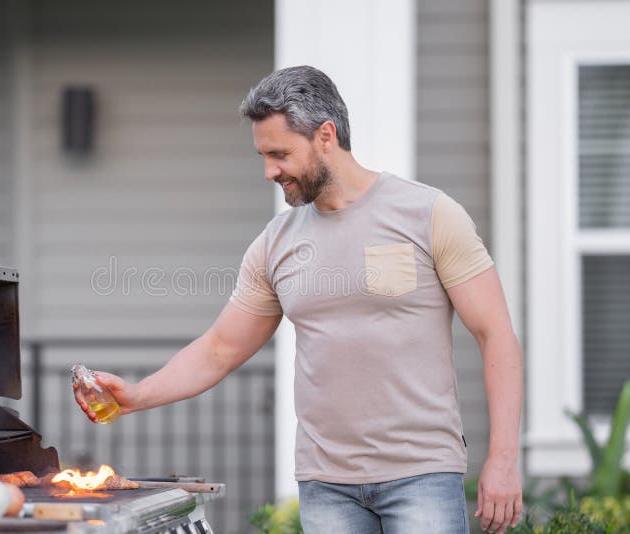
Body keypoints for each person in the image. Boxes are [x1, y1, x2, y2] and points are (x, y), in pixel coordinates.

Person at [74, 65, 523, 534]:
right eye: (263, 156)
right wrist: (136, 396)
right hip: (326, 486)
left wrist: (504, 459)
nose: (270, 171)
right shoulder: (275, 244)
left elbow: (496, 336)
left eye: (280, 154)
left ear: (325, 136)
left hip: (422, 476)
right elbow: (220, 349)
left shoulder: (428, 214)